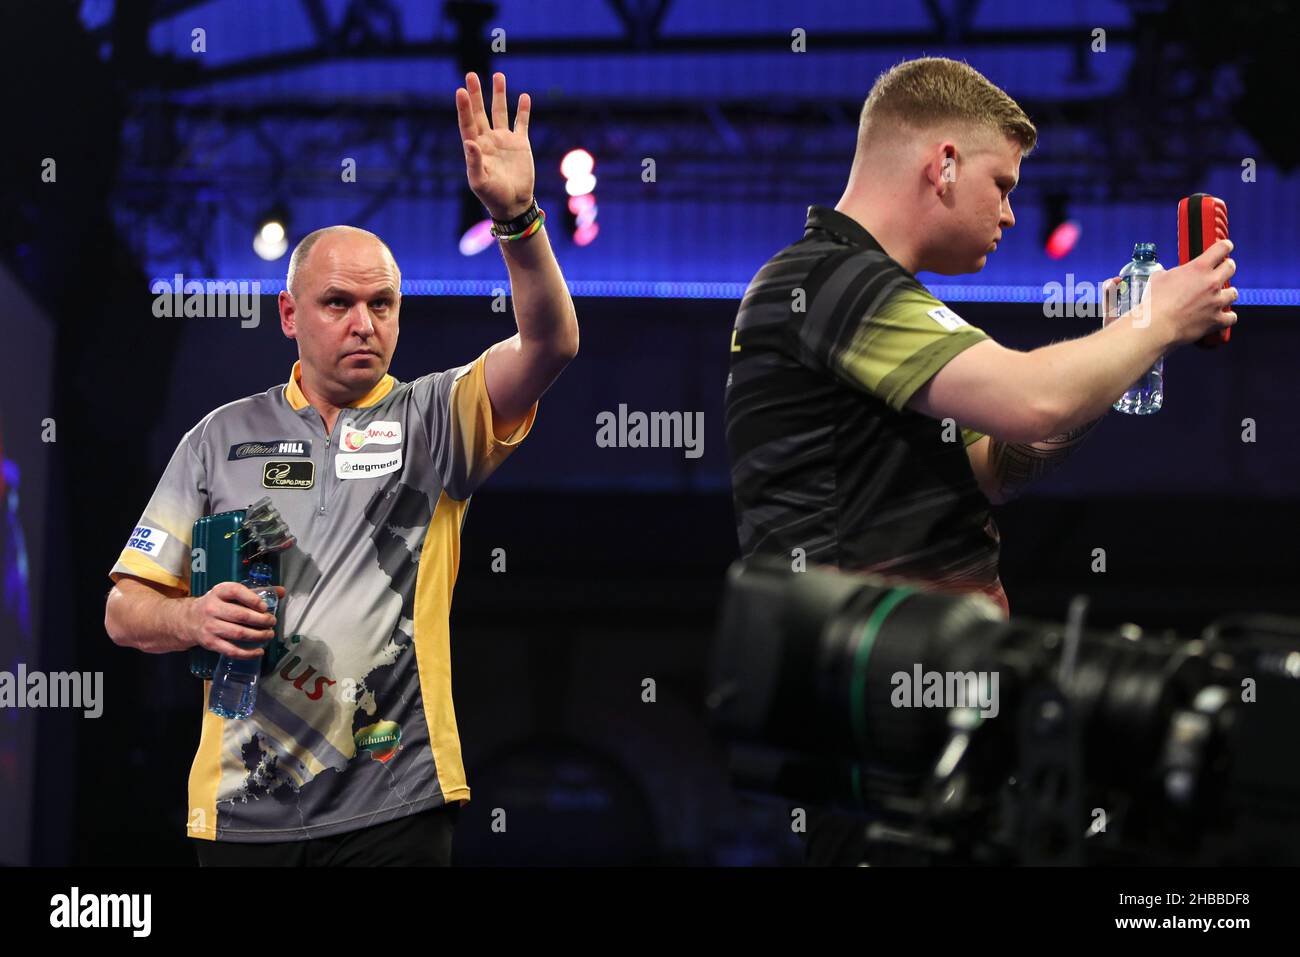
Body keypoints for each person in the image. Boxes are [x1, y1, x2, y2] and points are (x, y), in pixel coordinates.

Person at [722, 56, 1236, 864]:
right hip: (872, 714)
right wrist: (1154, 325)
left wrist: (1117, 358)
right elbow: (1034, 398)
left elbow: (998, 460)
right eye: (1003, 185)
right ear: (945, 164)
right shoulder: (828, 282)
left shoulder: (862, 290)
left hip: (908, 713)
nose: (1009, 214)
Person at [103, 71, 577, 866]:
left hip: (397, 804)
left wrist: (517, 218)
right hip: (242, 808)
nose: (364, 323)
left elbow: (551, 345)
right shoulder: (220, 438)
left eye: (382, 304)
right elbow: (124, 609)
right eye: (337, 304)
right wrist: (189, 618)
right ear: (290, 314)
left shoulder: (435, 418)